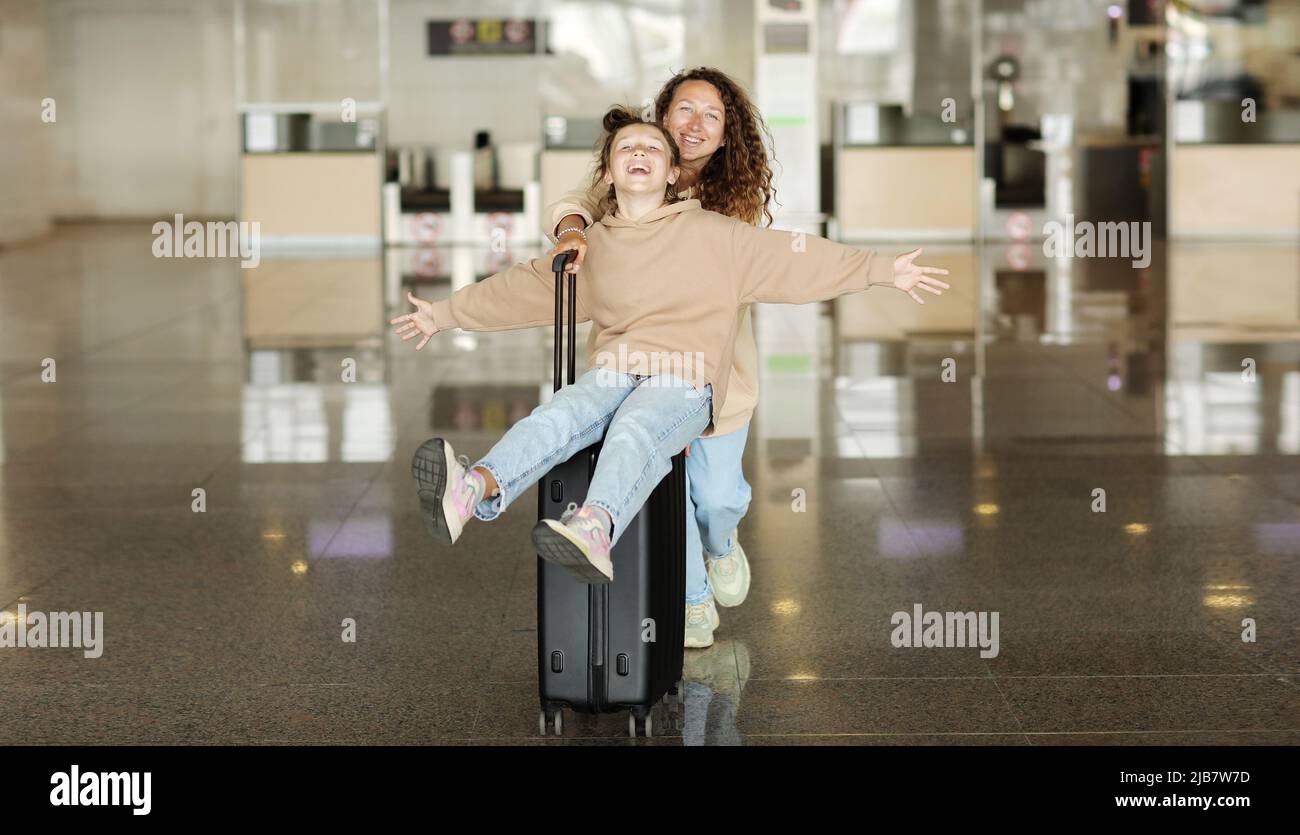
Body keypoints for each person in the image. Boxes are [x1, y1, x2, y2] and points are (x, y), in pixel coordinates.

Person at [390, 107, 950, 587]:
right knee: (558, 415)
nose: (639, 153)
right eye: (626, 148)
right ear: (607, 174)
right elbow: (524, 289)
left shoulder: (718, 236)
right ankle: (472, 489)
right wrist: (444, 314)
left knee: (635, 429)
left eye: (652, 148)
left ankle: (595, 527)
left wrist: (882, 270)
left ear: (673, 173)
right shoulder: (591, 247)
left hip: (685, 378)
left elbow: (797, 256)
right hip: (616, 369)